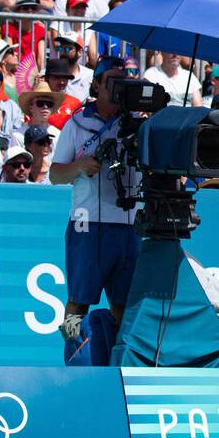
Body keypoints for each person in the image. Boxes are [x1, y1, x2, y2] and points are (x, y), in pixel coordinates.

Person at [49, 57, 141, 340]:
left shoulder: (138, 123)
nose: (119, 86)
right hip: (87, 224)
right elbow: (54, 174)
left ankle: (118, 365)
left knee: (124, 306)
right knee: (78, 302)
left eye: (123, 79)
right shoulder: (76, 123)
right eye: (112, 80)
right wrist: (78, 166)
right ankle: (73, 356)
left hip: (129, 224)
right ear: (96, 84)